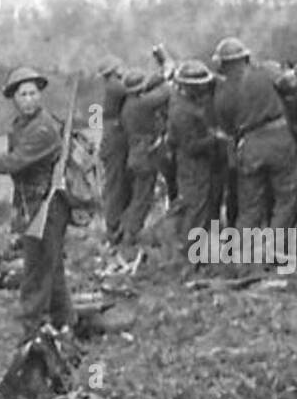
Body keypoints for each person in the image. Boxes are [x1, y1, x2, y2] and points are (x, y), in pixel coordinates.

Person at [0, 67, 72, 339]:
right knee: (51, 264)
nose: (29, 99)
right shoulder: (20, 125)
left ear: (40, 95)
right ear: (14, 99)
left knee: (36, 268)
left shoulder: (44, 128)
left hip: (46, 204)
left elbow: (14, 162)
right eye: (23, 95)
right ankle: (64, 321)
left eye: (33, 93)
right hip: (30, 203)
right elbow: (10, 157)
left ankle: (31, 326)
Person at [212, 36, 297, 263]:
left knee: (249, 207)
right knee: (286, 198)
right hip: (279, 140)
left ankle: (241, 258)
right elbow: (292, 87)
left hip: (249, 146)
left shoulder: (221, 93)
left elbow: (227, 129)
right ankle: (276, 253)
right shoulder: (266, 71)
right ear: (245, 57)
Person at [164, 60, 227, 266]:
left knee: (198, 208)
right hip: (193, 165)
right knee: (196, 210)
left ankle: (196, 255)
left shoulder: (180, 102)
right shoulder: (184, 111)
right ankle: (193, 259)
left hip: (190, 164)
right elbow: (190, 145)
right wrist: (215, 138)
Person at [117, 67, 171, 265]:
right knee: (142, 199)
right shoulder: (141, 104)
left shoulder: (129, 105)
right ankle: (129, 236)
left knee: (138, 197)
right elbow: (166, 91)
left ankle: (125, 233)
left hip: (136, 154)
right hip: (144, 157)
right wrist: (167, 74)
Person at [96, 57, 130, 248]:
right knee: (115, 187)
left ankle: (115, 229)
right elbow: (135, 89)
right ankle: (113, 230)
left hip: (112, 141)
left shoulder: (111, 87)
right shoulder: (115, 86)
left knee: (115, 186)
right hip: (115, 142)